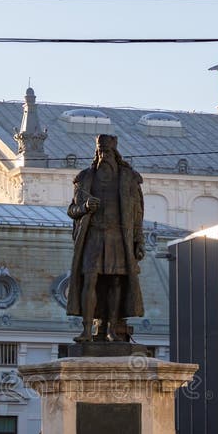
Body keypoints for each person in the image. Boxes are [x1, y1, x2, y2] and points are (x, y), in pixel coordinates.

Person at [66, 134, 145, 342]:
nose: (103, 156)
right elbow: (72, 210)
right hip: (93, 236)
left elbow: (138, 214)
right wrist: (84, 207)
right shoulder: (84, 178)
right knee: (89, 280)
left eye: (107, 152)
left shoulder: (128, 178)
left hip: (118, 237)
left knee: (116, 282)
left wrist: (139, 241)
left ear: (115, 153)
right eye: (100, 152)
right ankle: (87, 330)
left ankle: (111, 328)